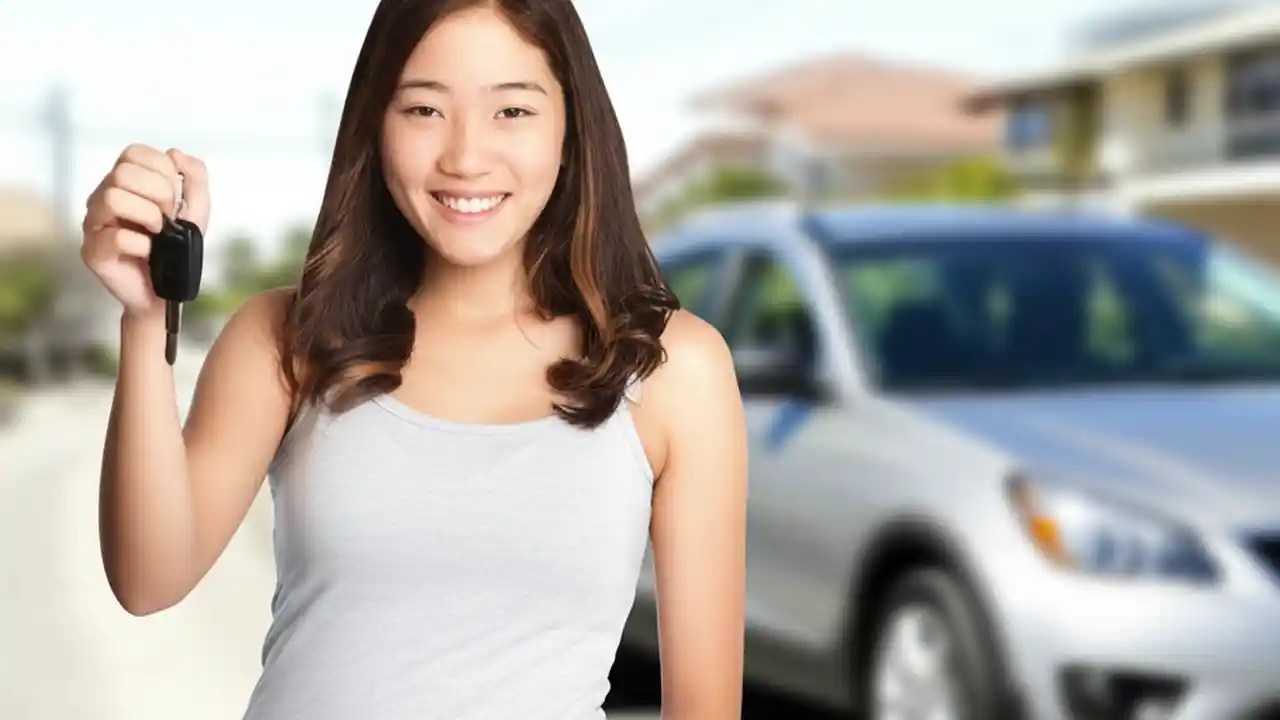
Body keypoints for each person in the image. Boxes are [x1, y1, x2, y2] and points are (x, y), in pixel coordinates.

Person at [81, 0, 747, 717]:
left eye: (512, 111)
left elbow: (705, 706)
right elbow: (147, 580)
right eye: (425, 110)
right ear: (376, 124)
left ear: (571, 131)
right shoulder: (286, 338)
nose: (465, 157)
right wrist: (146, 319)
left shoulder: (674, 369)